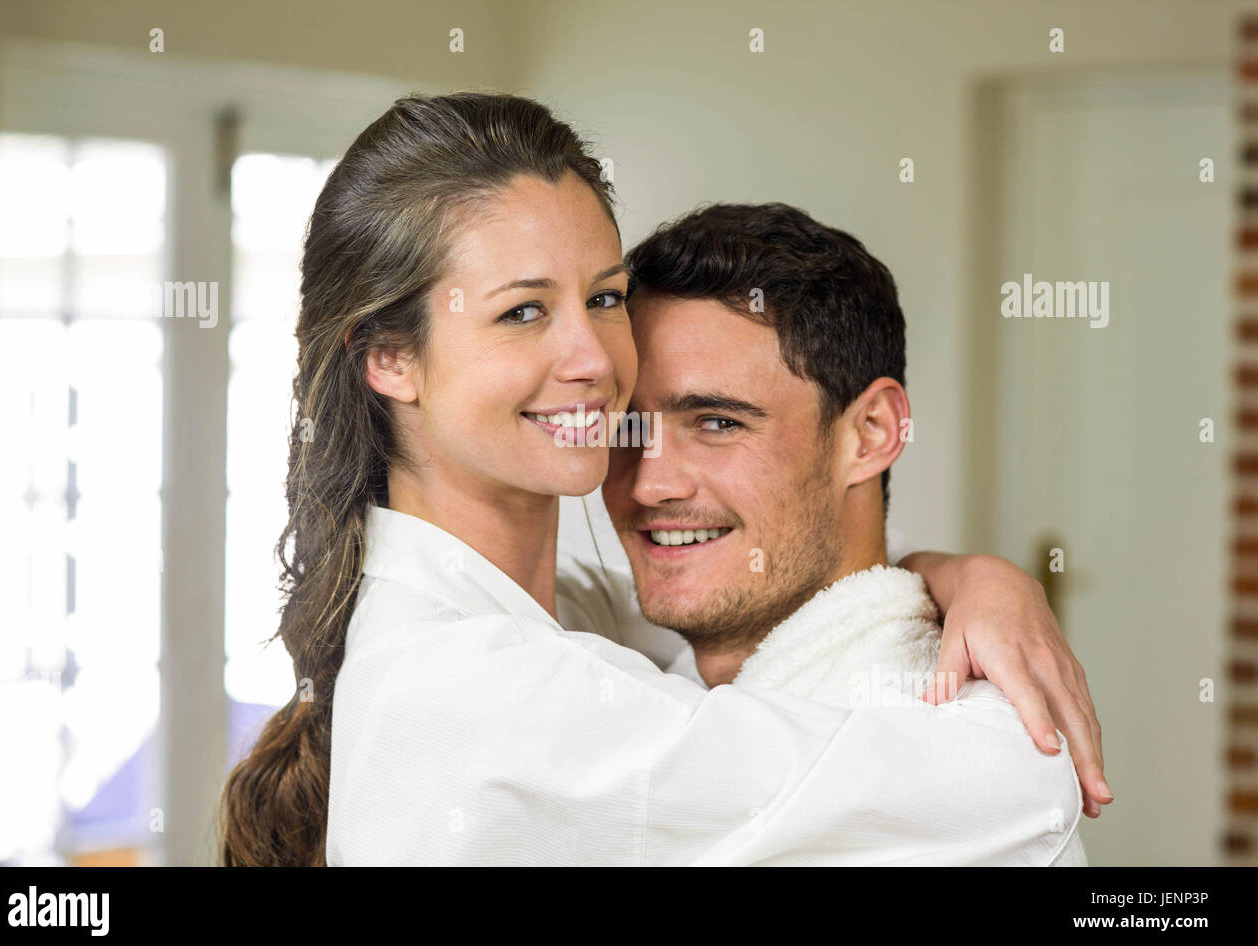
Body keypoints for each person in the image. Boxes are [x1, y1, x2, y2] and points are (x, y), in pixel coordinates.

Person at [217, 92, 1107, 866]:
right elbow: (1023, 778)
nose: (593, 360)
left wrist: (962, 577)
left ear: (870, 433)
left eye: (603, 298)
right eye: (523, 311)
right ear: (389, 358)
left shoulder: (550, 610)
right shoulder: (476, 684)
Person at [594, 202, 1090, 861]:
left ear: (872, 433)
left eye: (717, 422)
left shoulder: (957, 757)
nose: (649, 484)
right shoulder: (613, 644)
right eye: (628, 426)